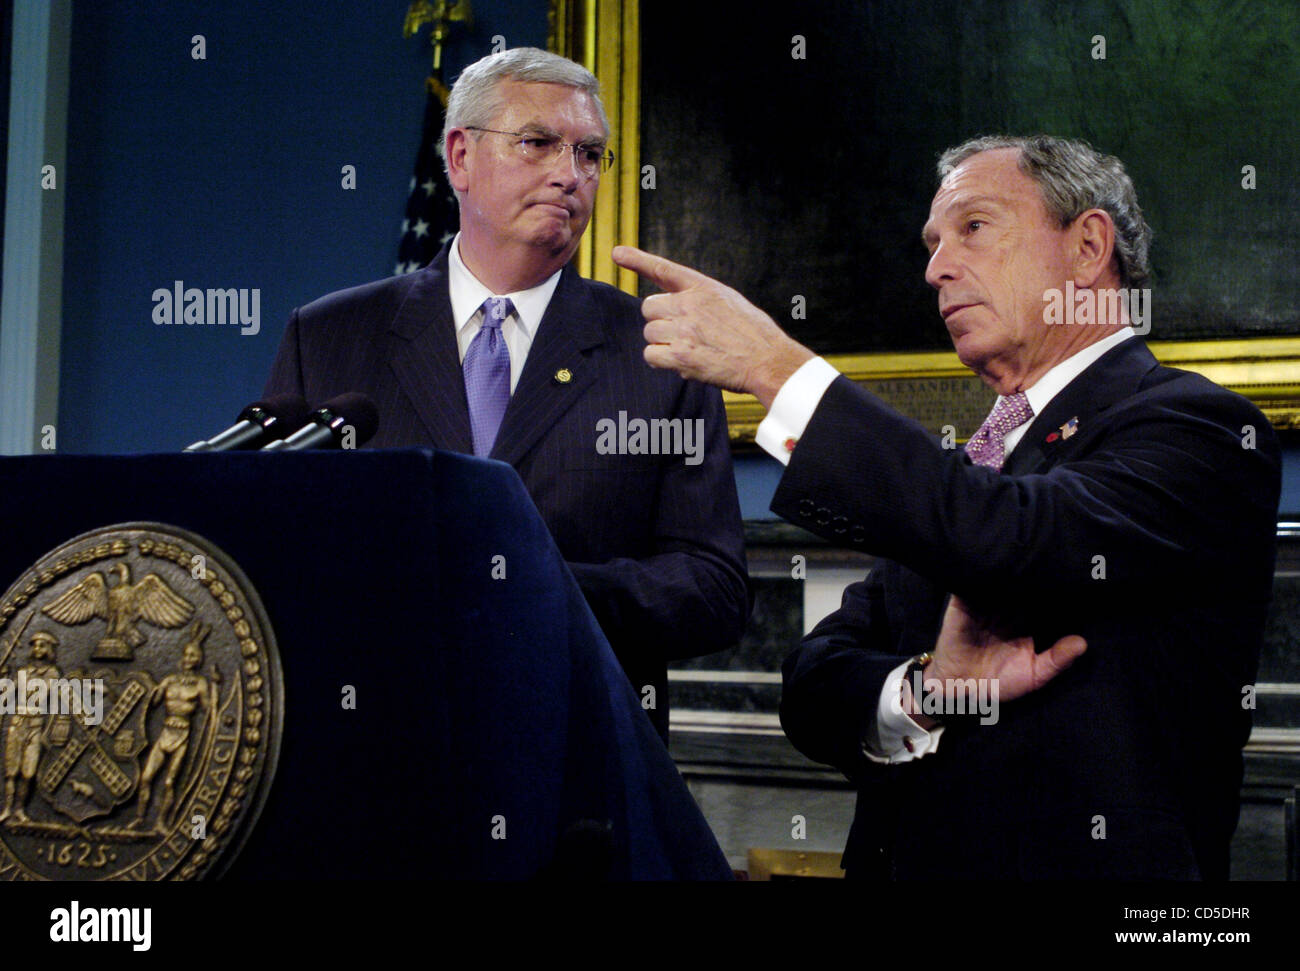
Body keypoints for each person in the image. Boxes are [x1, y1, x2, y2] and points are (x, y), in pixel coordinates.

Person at [612, 134, 1281, 878]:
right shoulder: (969, 469)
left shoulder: (1201, 429)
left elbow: (1014, 535)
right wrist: (928, 691)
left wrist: (780, 370)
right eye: (932, 244)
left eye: (973, 227)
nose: (935, 269)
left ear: (1089, 246)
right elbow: (811, 683)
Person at [263, 48, 748, 741]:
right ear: (460, 157)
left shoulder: (660, 352)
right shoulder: (331, 337)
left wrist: (538, 584)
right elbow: (280, 557)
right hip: (373, 753)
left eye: (589, 154)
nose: (568, 174)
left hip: (578, 768)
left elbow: (714, 588)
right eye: (538, 143)